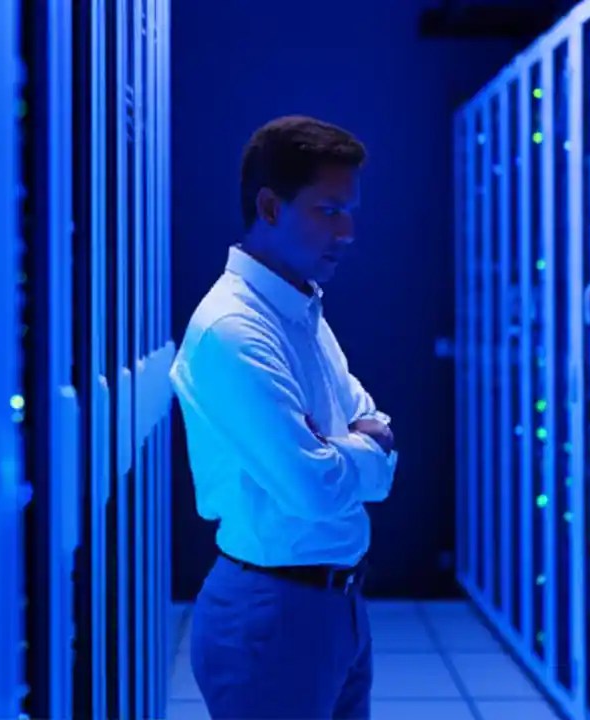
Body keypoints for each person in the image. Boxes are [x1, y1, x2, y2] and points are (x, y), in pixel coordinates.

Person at [168, 115, 399, 719]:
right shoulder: (234, 329)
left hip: (337, 604)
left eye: (350, 211)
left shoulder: (299, 309)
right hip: (273, 614)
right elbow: (314, 488)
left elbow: (378, 434)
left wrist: (343, 444)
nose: (347, 232)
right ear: (269, 206)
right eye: (328, 211)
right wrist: (358, 447)